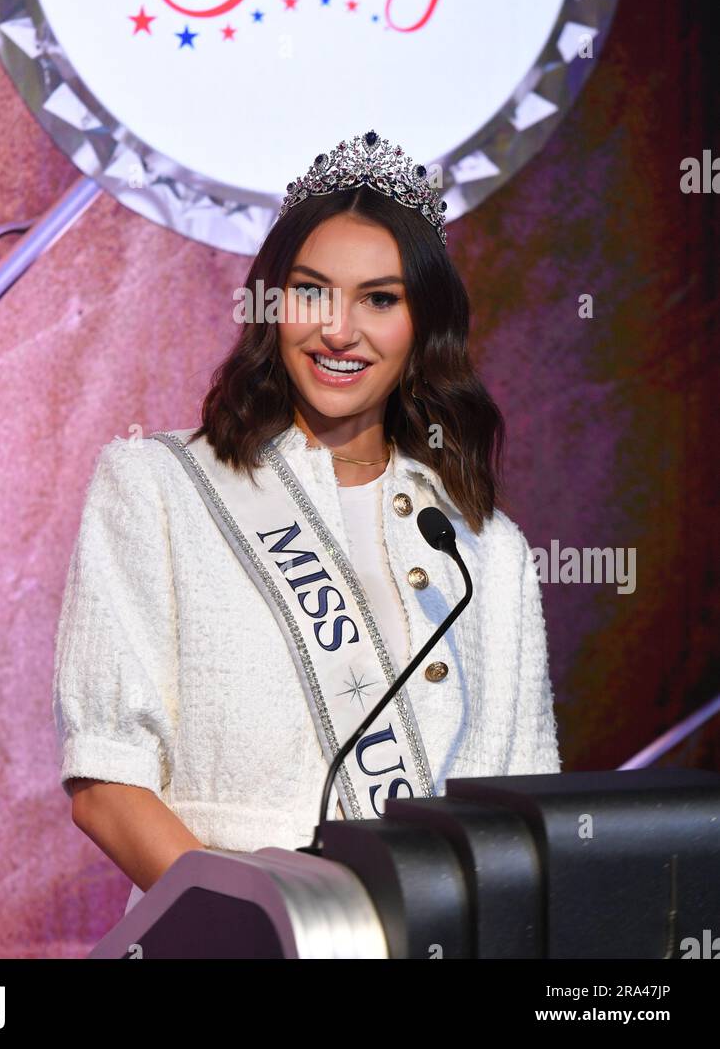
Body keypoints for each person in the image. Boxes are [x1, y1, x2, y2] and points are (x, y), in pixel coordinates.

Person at [52, 131, 561, 917]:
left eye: (380, 299)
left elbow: (528, 824)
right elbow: (107, 786)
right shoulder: (159, 487)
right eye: (312, 291)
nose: (339, 330)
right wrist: (269, 927)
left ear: (424, 327)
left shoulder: (489, 552)